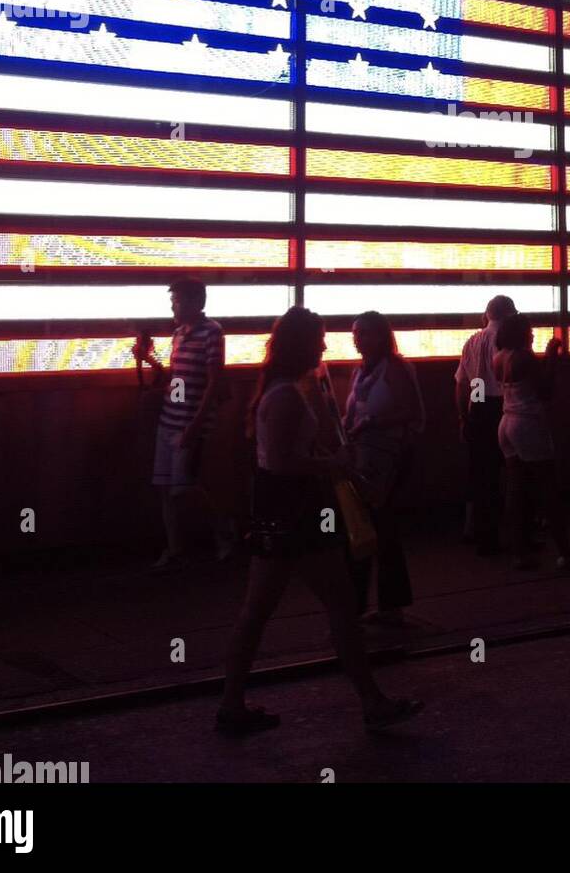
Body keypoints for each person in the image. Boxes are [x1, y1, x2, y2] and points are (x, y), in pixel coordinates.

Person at [216, 306, 423, 736]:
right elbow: (282, 461)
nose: (326, 345)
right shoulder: (288, 396)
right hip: (298, 516)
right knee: (334, 607)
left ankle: (233, 702)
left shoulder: (282, 389)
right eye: (319, 338)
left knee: (271, 611)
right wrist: (333, 463)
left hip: (282, 517)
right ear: (302, 344)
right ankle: (370, 701)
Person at [135, 277, 235, 570]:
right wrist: (149, 362)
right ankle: (176, 548)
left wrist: (195, 425)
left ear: (197, 302)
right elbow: (177, 379)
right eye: (173, 301)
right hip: (169, 419)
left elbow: (214, 382)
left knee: (184, 487)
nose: (173, 307)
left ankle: (224, 529)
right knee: (167, 488)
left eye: (177, 301)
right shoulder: (178, 334)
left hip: (190, 423)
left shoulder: (212, 333)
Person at [343, 311, 424, 627]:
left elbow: (410, 410)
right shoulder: (361, 371)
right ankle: (379, 602)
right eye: (355, 333)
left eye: (363, 333)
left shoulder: (394, 369)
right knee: (375, 528)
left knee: (376, 528)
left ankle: (373, 603)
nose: (357, 339)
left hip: (387, 458)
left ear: (380, 336)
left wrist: (370, 423)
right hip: (367, 458)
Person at [493, 315, 570, 572]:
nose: (533, 334)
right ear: (521, 333)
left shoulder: (499, 357)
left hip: (506, 422)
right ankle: (565, 554)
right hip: (528, 423)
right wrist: (552, 355)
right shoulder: (524, 358)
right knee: (549, 489)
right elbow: (545, 390)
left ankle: (519, 553)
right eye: (529, 330)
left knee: (515, 490)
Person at [455, 295, 517, 555]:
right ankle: (516, 533)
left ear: (487, 314)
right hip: (504, 408)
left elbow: (462, 382)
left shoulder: (473, 341)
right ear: (511, 314)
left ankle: (480, 532)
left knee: (482, 473)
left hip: (478, 407)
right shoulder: (508, 341)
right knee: (516, 473)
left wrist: (463, 416)